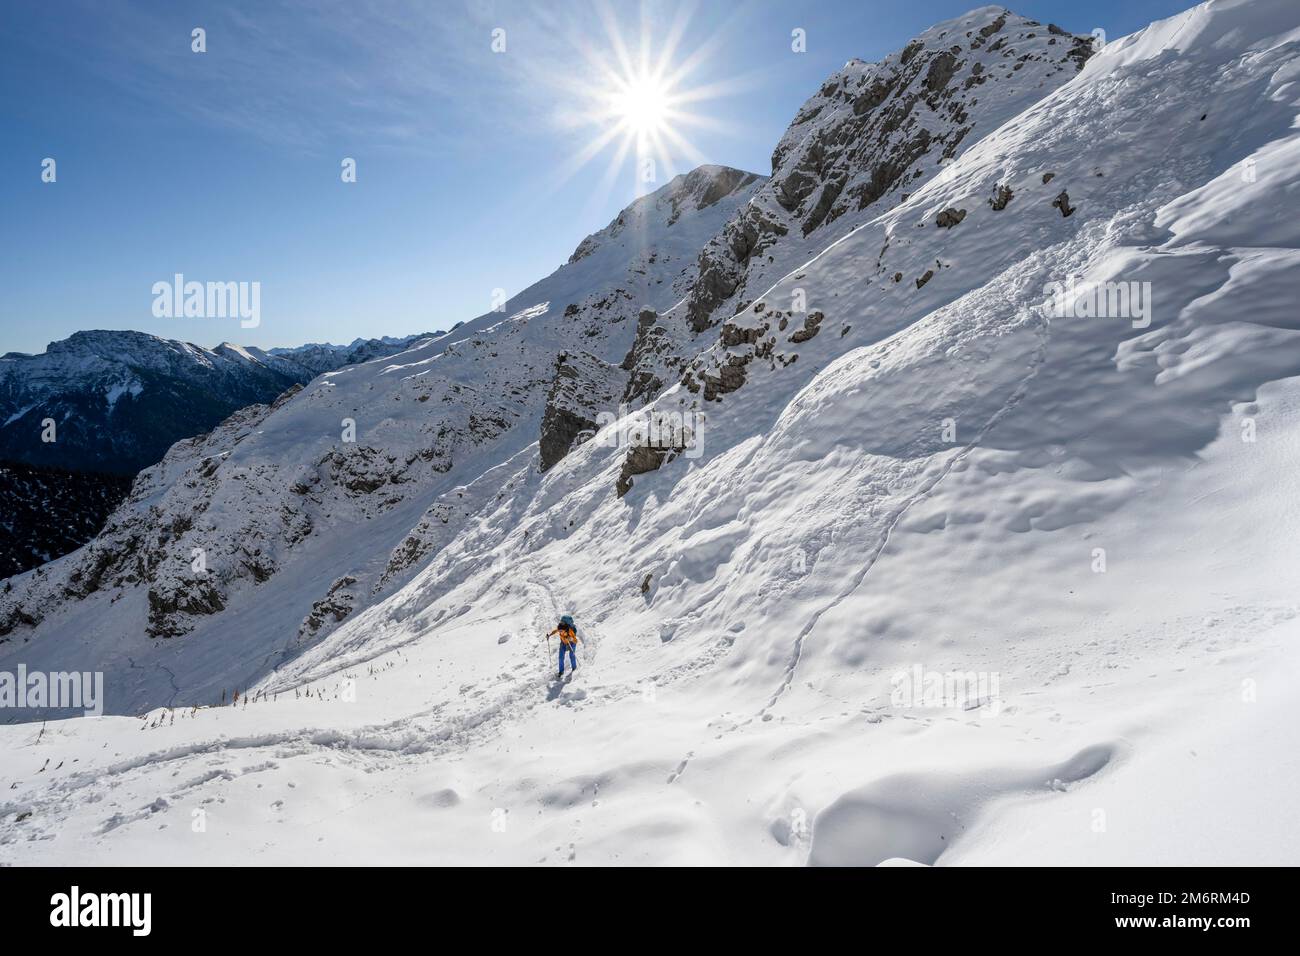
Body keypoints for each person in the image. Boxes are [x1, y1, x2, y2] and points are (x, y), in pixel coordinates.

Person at [547, 614, 581, 679]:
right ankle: (561, 671)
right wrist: (549, 635)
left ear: (565, 630)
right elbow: (555, 631)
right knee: (561, 657)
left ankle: (574, 668)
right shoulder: (560, 627)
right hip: (563, 643)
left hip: (572, 643)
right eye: (559, 631)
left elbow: (576, 641)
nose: (560, 632)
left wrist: (571, 639)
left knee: (572, 655)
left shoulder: (570, 631)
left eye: (561, 631)